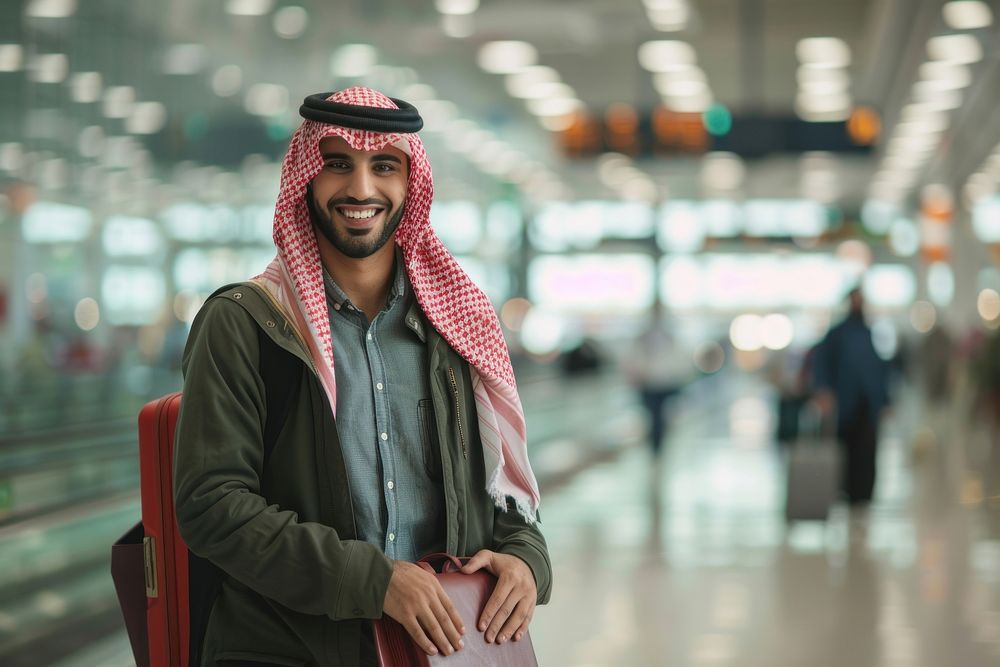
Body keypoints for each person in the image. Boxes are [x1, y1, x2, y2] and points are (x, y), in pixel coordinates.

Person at [173, 87, 551, 666]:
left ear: (411, 181)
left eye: (384, 166)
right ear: (305, 176)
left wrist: (526, 558)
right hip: (284, 650)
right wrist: (373, 580)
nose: (361, 189)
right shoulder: (245, 323)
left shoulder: (454, 325)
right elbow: (212, 505)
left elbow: (501, 494)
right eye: (337, 163)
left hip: (433, 652)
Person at [811, 287, 891, 508]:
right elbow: (822, 364)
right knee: (846, 451)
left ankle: (864, 495)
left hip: (867, 405)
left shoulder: (868, 333)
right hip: (845, 405)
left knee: (867, 452)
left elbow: (878, 370)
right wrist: (823, 391)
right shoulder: (837, 334)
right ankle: (845, 492)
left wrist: (884, 401)